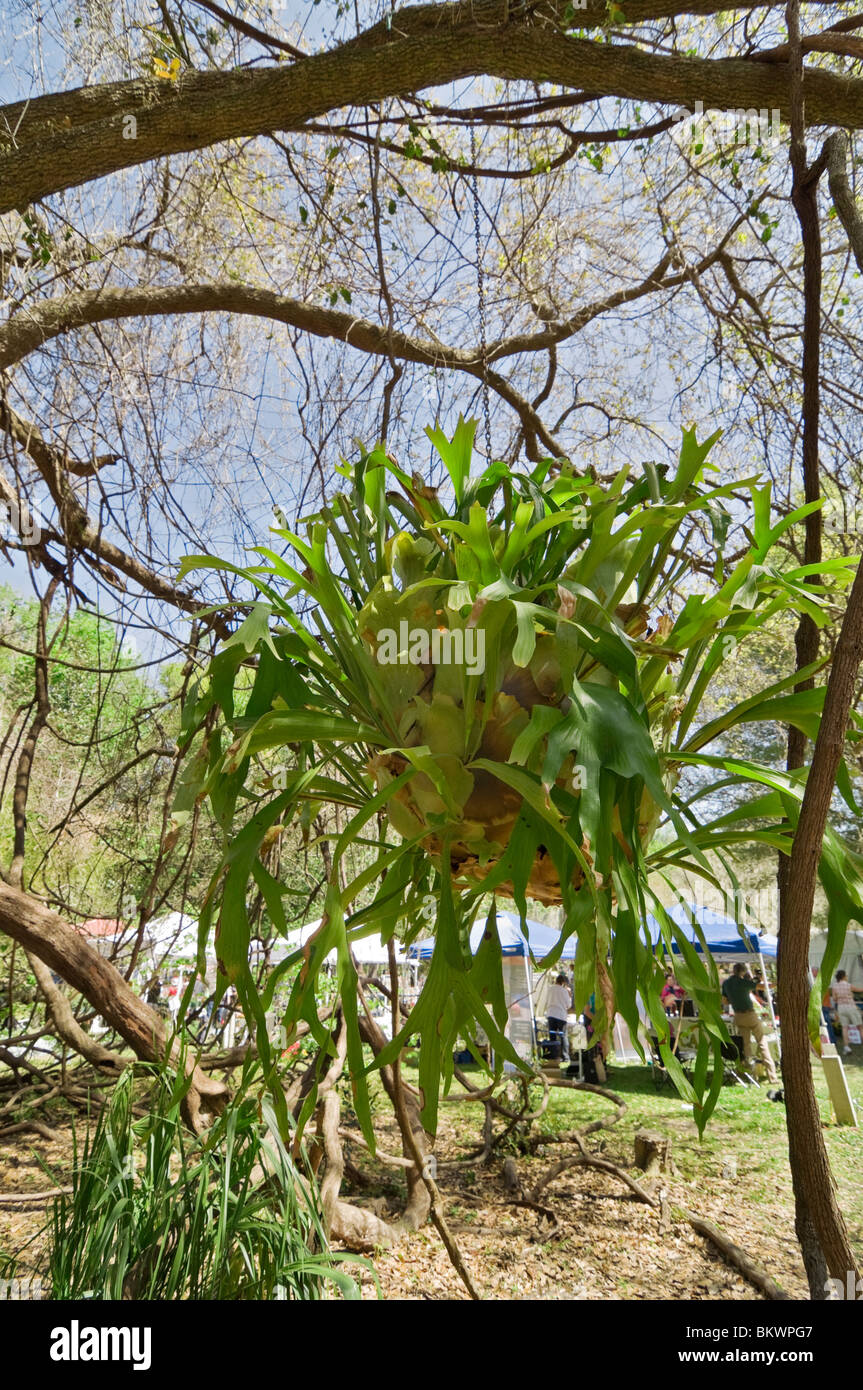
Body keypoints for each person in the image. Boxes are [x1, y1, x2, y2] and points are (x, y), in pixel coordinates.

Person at [721, 962, 778, 1083]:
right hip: (750, 1015)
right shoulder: (743, 982)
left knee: (746, 1046)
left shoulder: (726, 983)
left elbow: (725, 1002)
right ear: (743, 972)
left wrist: (735, 999)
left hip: (738, 1016)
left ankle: (749, 1075)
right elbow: (763, 987)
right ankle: (772, 1076)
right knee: (762, 1043)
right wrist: (776, 983)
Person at [830, 970, 862, 1056]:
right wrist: (849, 995)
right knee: (860, 1026)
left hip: (841, 1008)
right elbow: (860, 990)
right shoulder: (848, 985)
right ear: (843, 976)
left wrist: (840, 997)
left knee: (845, 1028)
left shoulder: (834, 986)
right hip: (851, 1007)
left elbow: (834, 999)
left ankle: (847, 1047)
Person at [546, 973, 572, 1062]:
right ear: (563, 982)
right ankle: (565, 1057)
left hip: (551, 1014)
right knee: (563, 1036)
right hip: (561, 1015)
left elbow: (547, 1001)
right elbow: (568, 1005)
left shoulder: (550, 989)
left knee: (552, 1036)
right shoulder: (564, 991)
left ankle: (553, 1055)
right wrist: (570, 995)